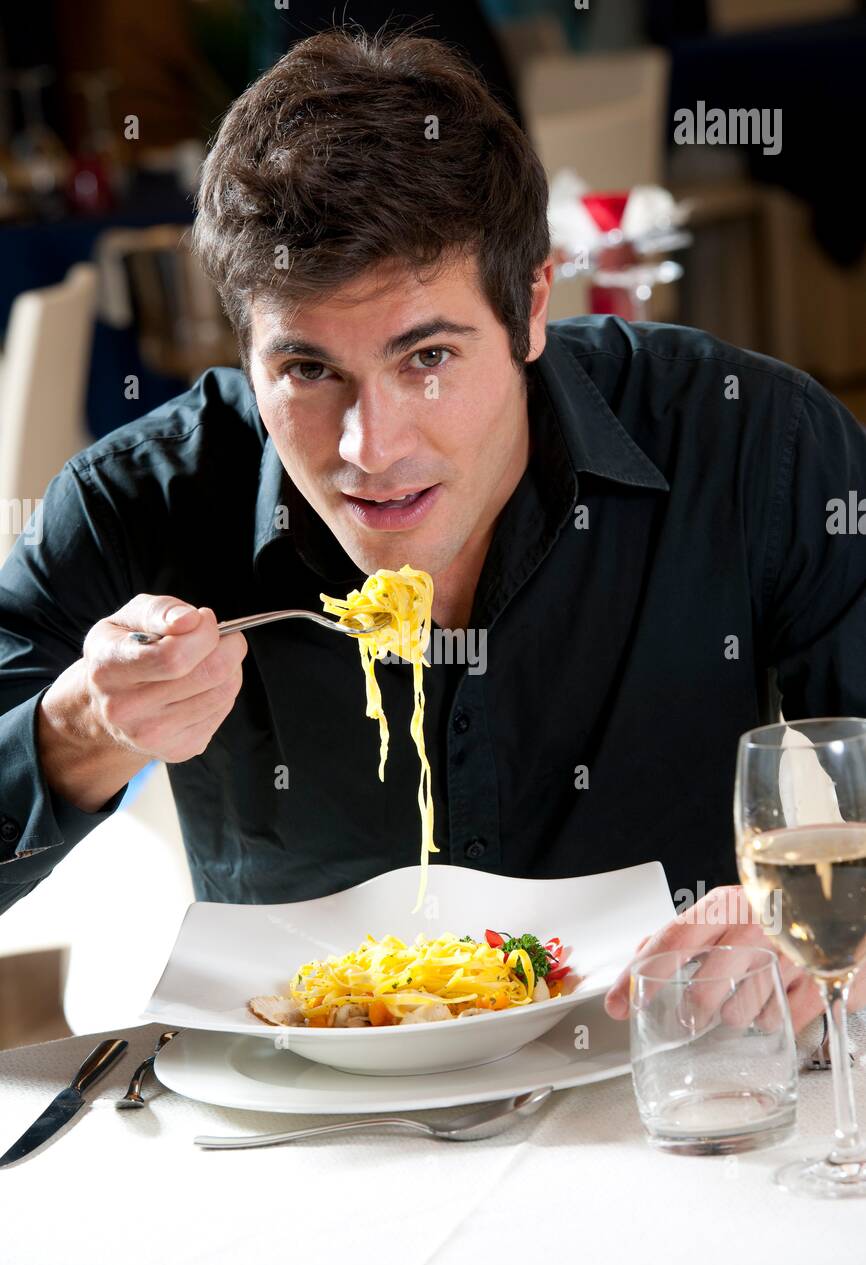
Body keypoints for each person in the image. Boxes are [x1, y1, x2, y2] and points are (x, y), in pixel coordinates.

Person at [1, 30, 864, 1035]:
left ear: (531, 304)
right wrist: (77, 735)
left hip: (683, 1082)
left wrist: (822, 918)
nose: (370, 448)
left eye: (428, 357)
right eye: (308, 370)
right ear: (244, 348)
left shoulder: (749, 442)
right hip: (306, 1142)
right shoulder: (139, 499)